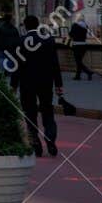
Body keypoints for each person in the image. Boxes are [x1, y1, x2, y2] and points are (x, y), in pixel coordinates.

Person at [11, 15, 63, 158]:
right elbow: (55, 64)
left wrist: (13, 85)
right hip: (46, 82)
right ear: (38, 25)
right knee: (47, 110)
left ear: (25, 26)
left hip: (27, 84)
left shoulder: (20, 42)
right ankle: (50, 138)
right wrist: (59, 84)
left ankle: (36, 144)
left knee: (30, 113)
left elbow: (16, 67)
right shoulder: (48, 40)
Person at [68, 15, 93, 81]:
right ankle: (78, 76)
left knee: (78, 61)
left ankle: (88, 72)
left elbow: (71, 34)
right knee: (79, 61)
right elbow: (90, 34)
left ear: (77, 18)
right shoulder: (85, 25)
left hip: (76, 45)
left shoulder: (74, 25)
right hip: (83, 45)